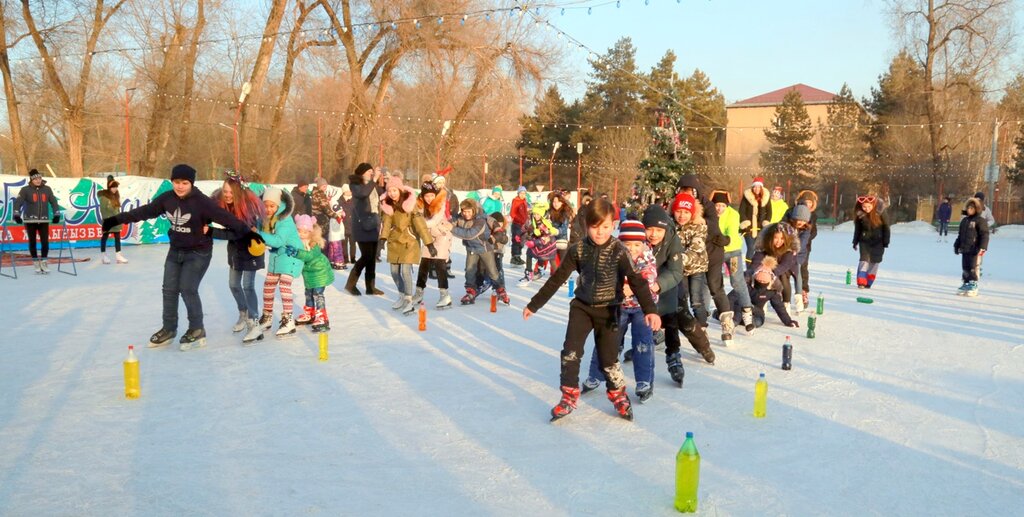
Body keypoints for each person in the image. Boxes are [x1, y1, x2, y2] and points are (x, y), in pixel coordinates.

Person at [523, 198, 661, 422]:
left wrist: (650, 310)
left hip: (609, 310)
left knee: (608, 360)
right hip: (582, 308)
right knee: (570, 353)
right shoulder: (578, 250)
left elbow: (637, 281)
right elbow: (558, 278)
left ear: (613, 225)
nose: (600, 232)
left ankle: (618, 396)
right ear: (587, 225)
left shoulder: (619, 250)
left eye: (605, 227)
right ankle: (568, 396)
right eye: (595, 227)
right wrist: (534, 304)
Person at [101, 164, 263, 350]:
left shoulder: (202, 202)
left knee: (187, 289)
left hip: (198, 252)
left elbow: (228, 219)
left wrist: (250, 234)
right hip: (176, 250)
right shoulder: (167, 198)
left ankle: (197, 330)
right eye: (176, 182)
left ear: (191, 183)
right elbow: (143, 212)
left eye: (184, 183)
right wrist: (115, 220)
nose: (179, 186)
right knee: (168, 289)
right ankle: (169, 329)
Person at [581, 220, 659, 402]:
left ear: (643, 244)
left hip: (642, 307)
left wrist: (631, 288)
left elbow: (648, 278)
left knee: (643, 343)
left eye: (637, 244)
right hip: (619, 306)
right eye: (628, 244)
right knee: (607, 340)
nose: (632, 249)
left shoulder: (647, 257)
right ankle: (596, 375)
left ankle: (644, 381)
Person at [641, 205, 709, 387]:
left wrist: (657, 285)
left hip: (666, 284)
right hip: (642, 286)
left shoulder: (672, 239)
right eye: (649, 229)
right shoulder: (637, 239)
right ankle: (638, 346)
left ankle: (679, 353)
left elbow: (675, 271)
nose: (654, 234)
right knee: (635, 317)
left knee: (677, 317)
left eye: (658, 230)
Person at [211, 174, 266, 344]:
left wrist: (211, 232)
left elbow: (237, 232)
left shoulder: (247, 209)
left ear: (237, 192)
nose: (227, 195)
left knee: (247, 286)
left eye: (230, 192)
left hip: (251, 249)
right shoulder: (226, 206)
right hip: (235, 250)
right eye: (225, 191)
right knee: (233, 284)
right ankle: (243, 313)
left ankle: (254, 321)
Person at [672, 192, 717, 365]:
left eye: (686, 212)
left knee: (697, 301)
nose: (682, 215)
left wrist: (676, 259)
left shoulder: (699, 226)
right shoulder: (671, 226)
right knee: (681, 300)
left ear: (693, 213)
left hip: (696, 267)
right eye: (678, 211)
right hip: (679, 271)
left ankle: (702, 329)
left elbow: (696, 247)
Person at [380, 174, 435, 314]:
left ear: (400, 190)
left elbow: (420, 225)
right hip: (394, 242)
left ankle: (409, 300)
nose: (392, 194)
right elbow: (386, 225)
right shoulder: (387, 206)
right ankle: (402, 294)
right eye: (390, 190)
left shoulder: (411, 205)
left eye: (395, 190)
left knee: (405, 271)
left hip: (409, 242)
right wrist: (382, 241)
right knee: (393, 272)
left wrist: (429, 243)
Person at [257, 187, 305, 337]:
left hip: (292, 254)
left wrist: (257, 233)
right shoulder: (264, 219)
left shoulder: (285, 219)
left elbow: (278, 241)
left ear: (279, 205)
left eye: (272, 206)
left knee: (284, 285)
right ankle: (267, 317)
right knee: (269, 285)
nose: (268, 209)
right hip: (277, 255)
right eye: (265, 205)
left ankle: (288, 319)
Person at [451, 199, 509, 305]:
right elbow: (450, 221)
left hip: (485, 248)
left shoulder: (481, 220)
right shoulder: (460, 218)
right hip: (471, 248)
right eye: (464, 211)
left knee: (492, 270)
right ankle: (470, 290)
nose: (466, 214)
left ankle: (500, 289)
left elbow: (470, 234)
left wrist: (496, 236)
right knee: (469, 270)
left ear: (474, 210)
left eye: (469, 211)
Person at [711, 190, 752, 338]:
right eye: (717, 205)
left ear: (726, 206)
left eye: (722, 205)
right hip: (715, 252)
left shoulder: (733, 214)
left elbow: (732, 233)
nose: (719, 208)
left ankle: (747, 312)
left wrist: (724, 239)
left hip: (732, 251)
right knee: (713, 282)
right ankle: (720, 313)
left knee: (737, 281)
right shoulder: (709, 213)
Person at [344, 163, 385, 296]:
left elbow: (382, 194)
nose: (371, 174)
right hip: (361, 226)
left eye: (372, 172)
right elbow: (362, 193)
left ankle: (370, 287)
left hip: (373, 224)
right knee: (366, 256)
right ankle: (350, 285)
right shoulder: (355, 185)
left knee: (372, 257)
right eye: (369, 171)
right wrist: (373, 181)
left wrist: (383, 182)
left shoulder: (372, 185)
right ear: (361, 173)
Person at [289, 214, 335, 331]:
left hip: (320, 273)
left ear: (311, 232)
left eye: (305, 232)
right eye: (299, 231)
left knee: (318, 295)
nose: (301, 234)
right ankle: (310, 313)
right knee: (308, 293)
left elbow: (308, 256)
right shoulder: (298, 243)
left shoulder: (314, 244)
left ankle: (322, 317)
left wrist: (296, 253)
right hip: (309, 275)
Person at [727, 256, 798, 329]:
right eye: (759, 281)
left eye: (764, 282)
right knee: (736, 316)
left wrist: (788, 321)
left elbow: (779, 306)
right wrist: (730, 312)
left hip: (757, 311)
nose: (761, 283)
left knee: (758, 322)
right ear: (755, 278)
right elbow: (730, 298)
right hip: (739, 307)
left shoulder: (772, 289)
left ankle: (746, 322)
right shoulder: (746, 284)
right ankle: (731, 320)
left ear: (769, 281)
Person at [413, 182, 454, 309]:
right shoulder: (419, 205)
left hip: (442, 234)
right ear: (422, 196)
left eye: (432, 195)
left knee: (439, 263)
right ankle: (419, 293)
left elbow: (434, 221)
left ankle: (445, 295)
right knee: (424, 263)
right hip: (429, 236)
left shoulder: (440, 204)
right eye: (427, 196)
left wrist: (420, 223)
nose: (429, 198)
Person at [12, 168, 61, 274]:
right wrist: (16, 214)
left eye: (39, 178)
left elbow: (54, 202)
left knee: (45, 242)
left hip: (43, 220)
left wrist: (57, 214)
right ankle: (35, 262)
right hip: (30, 220)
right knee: (32, 242)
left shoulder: (47, 189)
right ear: (31, 180)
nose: (38, 180)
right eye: (35, 179)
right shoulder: (25, 190)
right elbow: (18, 203)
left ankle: (44, 262)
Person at [953, 197, 990, 297]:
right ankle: (966, 283)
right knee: (965, 267)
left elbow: (984, 235)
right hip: (965, 249)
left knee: (972, 268)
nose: (969, 210)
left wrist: (983, 247)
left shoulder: (980, 221)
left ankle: (973, 284)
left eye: (972, 208)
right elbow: (960, 235)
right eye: (968, 208)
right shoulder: (964, 221)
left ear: (976, 209)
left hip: (974, 249)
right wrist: (956, 245)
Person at [852, 195, 890, 289]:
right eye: (864, 207)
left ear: (873, 205)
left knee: (874, 261)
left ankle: (869, 281)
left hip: (878, 242)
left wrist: (886, 240)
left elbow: (886, 227)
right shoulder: (860, 215)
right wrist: (855, 241)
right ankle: (861, 281)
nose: (866, 209)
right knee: (864, 260)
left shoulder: (880, 213)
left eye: (869, 206)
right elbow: (857, 229)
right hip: (864, 241)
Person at [519, 201, 558, 284]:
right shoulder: (531, 221)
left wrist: (534, 243)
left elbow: (546, 238)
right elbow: (525, 229)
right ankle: (529, 273)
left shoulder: (545, 224)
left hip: (548, 246)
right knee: (529, 253)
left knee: (552, 260)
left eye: (538, 214)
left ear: (542, 215)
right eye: (535, 214)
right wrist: (519, 236)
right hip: (537, 245)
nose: (536, 216)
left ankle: (559, 278)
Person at [794, 190, 820, 305]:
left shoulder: (813, 216)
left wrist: (805, 239)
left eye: (810, 202)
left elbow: (814, 232)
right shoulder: (792, 211)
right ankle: (779, 292)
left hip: (805, 247)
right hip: (790, 245)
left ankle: (804, 292)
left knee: (803, 269)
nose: (808, 204)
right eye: (805, 202)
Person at [739, 176, 773, 262]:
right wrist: (745, 222)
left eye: (758, 187)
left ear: (761, 187)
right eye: (755, 186)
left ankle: (757, 267)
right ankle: (749, 268)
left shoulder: (766, 197)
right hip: (749, 228)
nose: (756, 189)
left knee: (759, 249)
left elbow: (769, 211)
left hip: (761, 228)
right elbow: (741, 211)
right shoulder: (747, 196)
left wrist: (766, 221)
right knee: (751, 248)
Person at [97, 175, 128, 265]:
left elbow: (117, 209)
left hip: (116, 220)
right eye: (113, 187)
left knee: (117, 236)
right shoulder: (104, 197)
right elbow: (102, 210)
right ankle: (104, 255)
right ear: (109, 187)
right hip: (108, 220)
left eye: (116, 187)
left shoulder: (116, 196)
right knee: (105, 237)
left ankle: (118, 256)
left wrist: (119, 217)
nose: (115, 189)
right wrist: (107, 219)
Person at [547, 190, 575, 265]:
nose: (555, 204)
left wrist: (556, 231)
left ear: (562, 203)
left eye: (557, 202)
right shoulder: (550, 212)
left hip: (561, 240)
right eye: (554, 202)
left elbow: (564, 227)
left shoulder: (565, 212)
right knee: (552, 260)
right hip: (551, 239)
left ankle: (562, 274)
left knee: (562, 260)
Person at [509, 186, 530, 266]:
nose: (522, 195)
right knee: (516, 241)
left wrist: (526, 220)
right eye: (521, 193)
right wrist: (521, 220)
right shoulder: (516, 201)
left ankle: (518, 256)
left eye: (524, 193)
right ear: (518, 193)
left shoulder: (524, 201)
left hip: (523, 225)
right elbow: (512, 213)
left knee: (521, 241)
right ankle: (514, 257)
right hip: (517, 224)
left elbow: (524, 213)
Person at [338, 183, 357, 265]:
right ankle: (345, 258)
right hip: (343, 225)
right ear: (344, 192)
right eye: (348, 190)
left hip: (353, 225)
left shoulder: (355, 200)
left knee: (353, 244)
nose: (350, 192)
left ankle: (353, 258)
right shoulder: (340, 201)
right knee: (344, 244)